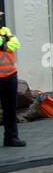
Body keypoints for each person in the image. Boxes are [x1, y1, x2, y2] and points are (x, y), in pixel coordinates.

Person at [0, 13, 23, 147]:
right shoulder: (5, 34)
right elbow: (9, 43)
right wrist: (5, 41)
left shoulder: (5, 30)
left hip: (9, 75)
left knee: (10, 109)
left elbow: (15, 44)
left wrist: (3, 42)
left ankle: (11, 138)